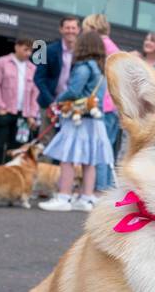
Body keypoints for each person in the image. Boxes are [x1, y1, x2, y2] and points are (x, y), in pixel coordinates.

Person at [38, 29, 112, 212]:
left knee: (67, 158)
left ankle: (64, 196)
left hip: (79, 120)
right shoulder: (101, 69)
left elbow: (73, 91)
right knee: (90, 161)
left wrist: (57, 102)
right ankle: (86, 198)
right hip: (95, 120)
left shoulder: (83, 66)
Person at [82, 13, 123, 192]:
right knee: (107, 149)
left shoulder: (99, 46)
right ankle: (105, 187)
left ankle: (98, 188)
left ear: (92, 27)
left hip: (102, 105)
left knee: (99, 148)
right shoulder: (115, 47)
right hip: (114, 106)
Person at [0, 37, 40, 165]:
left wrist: (32, 114)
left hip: (23, 114)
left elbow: (35, 92)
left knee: (17, 147)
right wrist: (0, 106)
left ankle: (11, 176)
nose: (28, 53)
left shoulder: (32, 67)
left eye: (31, 51)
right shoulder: (2, 62)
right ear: (16, 47)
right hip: (5, 110)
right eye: (25, 50)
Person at [34, 16, 80, 119]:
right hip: (48, 104)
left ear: (78, 30)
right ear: (61, 29)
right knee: (47, 135)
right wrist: (51, 102)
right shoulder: (47, 50)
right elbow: (38, 78)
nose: (70, 31)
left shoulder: (82, 53)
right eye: (67, 28)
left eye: (73, 28)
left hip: (72, 106)